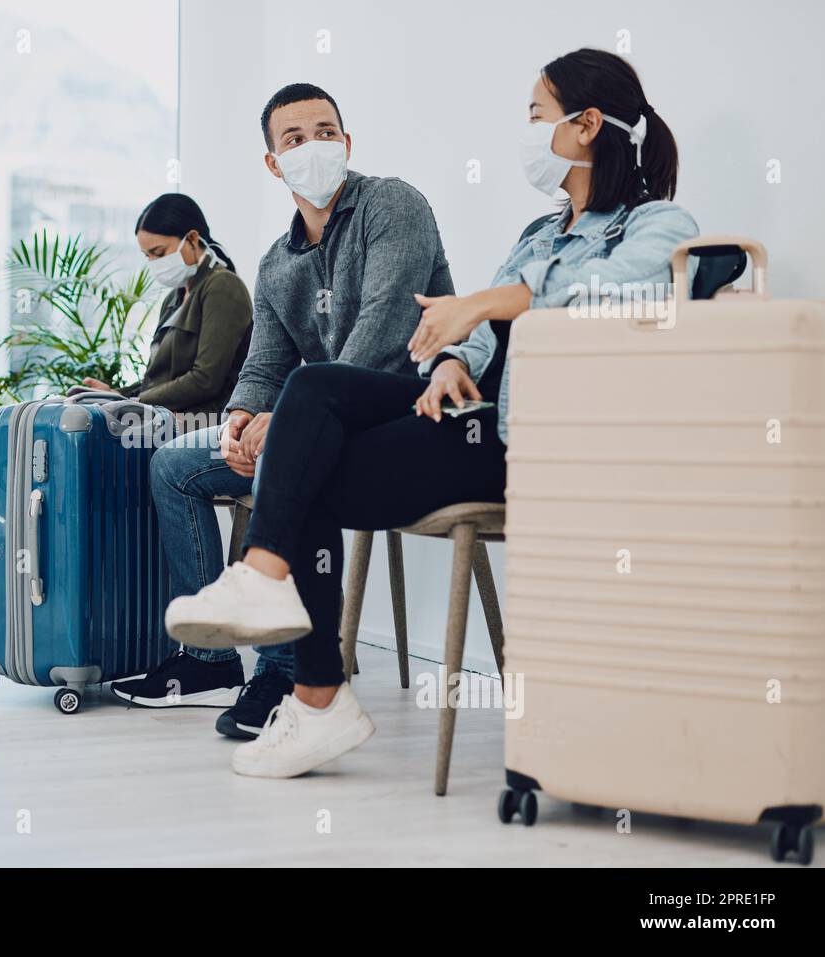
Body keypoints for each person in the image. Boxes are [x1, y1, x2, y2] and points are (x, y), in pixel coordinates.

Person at [165, 48, 700, 778]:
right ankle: (309, 677)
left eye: (536, 115)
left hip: (529, 442)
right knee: (311, 406)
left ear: (587, 125)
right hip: (464, 414)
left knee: (307, 427)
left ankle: (302, 667)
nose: (528, 131)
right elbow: (474, 337)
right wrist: (453, 360)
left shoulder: (660, 224)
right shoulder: (539, 235)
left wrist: (483, 305)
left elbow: (612, 292)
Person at [120, 83, 454, 729]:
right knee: (173, 465)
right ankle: (209, 662)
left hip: (403, 410)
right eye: (295, 139)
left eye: (325, 133)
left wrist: (290, 419)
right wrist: (241, 419)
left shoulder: (393, 205)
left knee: (291, 453)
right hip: (318, 417)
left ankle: (283, 672)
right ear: (274, 163)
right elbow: (265, 365)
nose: (314, 147)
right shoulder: (277, 263)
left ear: (346, 142)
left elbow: (386, 329)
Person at [81, 193, 252, 433]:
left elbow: (205, 380)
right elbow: (159, 381)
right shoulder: (174, 298)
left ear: (192, 239)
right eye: (147, 256)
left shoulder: (222, 287)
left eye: (159, 253)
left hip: (203, 426)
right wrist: (116, 395)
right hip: (167, 420)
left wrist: (134, 403)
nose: (153, 262)